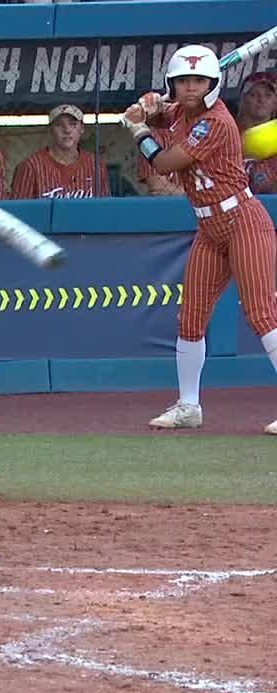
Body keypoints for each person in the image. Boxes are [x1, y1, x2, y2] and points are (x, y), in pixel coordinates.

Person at [121, 46, 277, 434]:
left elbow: (164, 162)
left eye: (199, 81)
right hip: (209, 227)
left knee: (262, 314)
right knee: (190, 317)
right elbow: (162, 111)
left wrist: (138, 130)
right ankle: (189, 406)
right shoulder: (181, 110)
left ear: (213, 85)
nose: (191, 87)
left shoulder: (216, 122)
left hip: (242, 219)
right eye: (184, 81)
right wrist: (147, 105)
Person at [10, 104, 111, 199]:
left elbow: (106, 207)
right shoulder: (30, 166)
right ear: (50, 130)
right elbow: (17, 210)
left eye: (73, 124)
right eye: (59, 125)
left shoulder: (95, 165)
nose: (67, 130)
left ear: (82, 128)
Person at [236, 72, 277, 194]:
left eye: (268, 95)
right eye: (253, 94)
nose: (261, 100)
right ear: (242, 100)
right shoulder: (226, 130)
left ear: (275, 103)